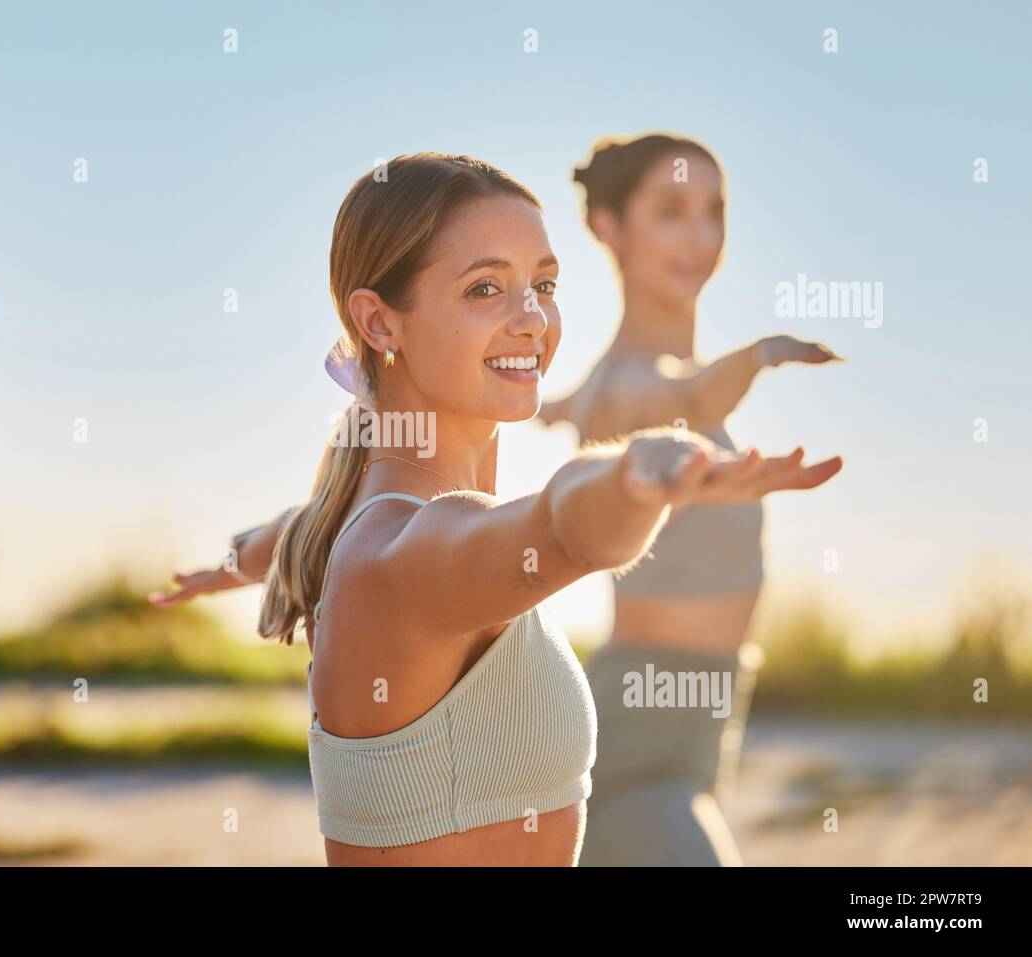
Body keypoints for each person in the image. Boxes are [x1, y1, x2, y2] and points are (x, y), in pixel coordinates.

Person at [154, 153, 841, 866]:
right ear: (381, 324)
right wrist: (639, 472)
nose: (533, 318)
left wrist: (236, 559)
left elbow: (294, 532)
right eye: (486, 288)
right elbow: (561, 525)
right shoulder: (408, 551)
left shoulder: (348, 526)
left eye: (543, 284)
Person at [539, 132, 843, 865]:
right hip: (637, 754)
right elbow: (683, 390)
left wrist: (548, 407)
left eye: (714, 211)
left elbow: (571, 402)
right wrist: (760, 354)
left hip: (692, 742)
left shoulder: (598, 387)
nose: (700, 235)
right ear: (607, 228)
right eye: (670, 210)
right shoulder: (634, 387)